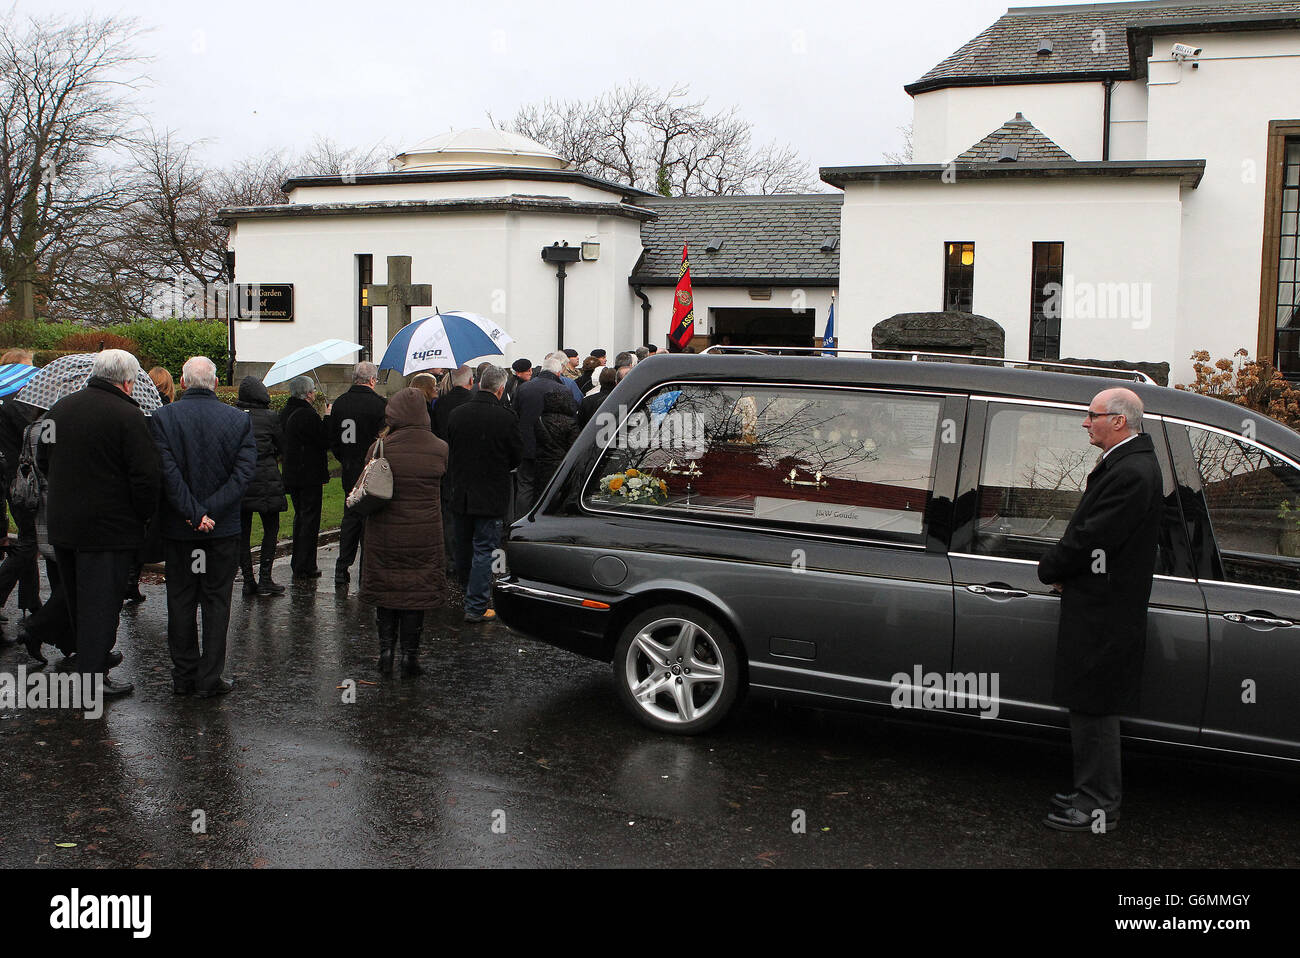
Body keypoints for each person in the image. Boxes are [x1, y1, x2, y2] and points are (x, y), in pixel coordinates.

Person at [1037, 387, 1162, 834]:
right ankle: (1089, 791)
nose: (1085, 422)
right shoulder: (1129, 464)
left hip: (1104, 614)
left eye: (1092, 415)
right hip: (1101, 606)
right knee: (1089, 705)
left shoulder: (1131, 472)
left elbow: (1091, 536)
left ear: (1119, 420)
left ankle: (1097, 806)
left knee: (1095, 707)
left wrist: (1052, 567)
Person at [42, 349, 161, 697]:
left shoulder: (60, 408)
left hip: (64, 525)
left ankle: (88, 665)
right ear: (127, 381)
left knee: (79, 600)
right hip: (107, 529)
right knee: (101, 606)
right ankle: (92, 680)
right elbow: (146, 477)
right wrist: (141, 515)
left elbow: (42, 458)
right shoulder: (128, 415)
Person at [151, 356, 256, 697]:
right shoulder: (237, 420)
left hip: (182, 529)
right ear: (214, 383)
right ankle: (210, 677)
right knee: (216, 602)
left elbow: (167, 474)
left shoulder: (163, 418)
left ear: (182, 383)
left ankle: (184, 674)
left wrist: (194, 512)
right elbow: (242, 476)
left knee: (180, 600)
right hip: (220, 529)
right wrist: (205, 512)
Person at [359, 387, 448, 676]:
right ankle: (410, 657)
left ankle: (385, 653)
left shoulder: (379, 448)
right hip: (423, 534)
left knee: (388, 594)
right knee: (415, 596)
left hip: (385, 533)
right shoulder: (439, 448)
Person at [446, 365, 521, 623]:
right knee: (484, 549)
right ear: (500, 390)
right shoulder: (506, 417)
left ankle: (468, 592)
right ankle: (476, 604)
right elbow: (516, 456)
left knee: (464, 546)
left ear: (478, 384)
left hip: (461, 490)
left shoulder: (457, 414)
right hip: (490, 492)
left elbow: (452, 448)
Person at [328, 361, 387, 587]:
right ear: (372, 380)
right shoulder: (379, 405)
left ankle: (342, 568)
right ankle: (366, 573)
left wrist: (345, 458)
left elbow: (333, 438)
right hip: (371, 470)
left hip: (350, 468)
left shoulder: (341, 403)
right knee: (369, 521)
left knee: (350, 518)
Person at [236, 376, 288, 597]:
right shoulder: (270, 417)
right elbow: (281, 445)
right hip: (266, 478)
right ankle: (265, 577)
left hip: (241, 480)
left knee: (243, 533)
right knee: (270, 529)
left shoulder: (235, 416)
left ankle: (248, 579)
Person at [280, 376, 331, 580]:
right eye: (312, 391)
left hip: (292, 474)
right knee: (309, 520)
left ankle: (298, 562)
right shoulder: (307, 415)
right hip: (309, 474)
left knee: (300, 517)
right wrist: (327, 417)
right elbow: (323, 440)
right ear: (308, 393)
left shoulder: (286, 412)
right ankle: (305, 564)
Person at [513, 352, 571, 517]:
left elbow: (515, 415)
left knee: (525, 486)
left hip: (527, 446)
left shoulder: (523, 388)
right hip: (553, 449)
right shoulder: (563, 389)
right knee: (550, 487)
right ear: (558, 372)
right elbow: (569, 418)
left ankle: (520, 521)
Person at [534, 390, 579, 489]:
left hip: (542, 463)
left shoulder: (539, 420)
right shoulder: (570, 422)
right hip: (562, 463)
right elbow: (574, 446)